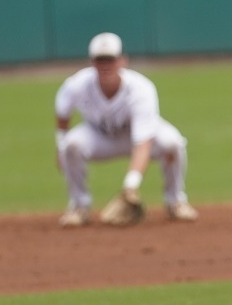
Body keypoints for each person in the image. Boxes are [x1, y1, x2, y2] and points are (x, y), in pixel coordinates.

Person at [54, 32, 198, 226]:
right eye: (100, 60)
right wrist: (60, 146)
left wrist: (130, 186)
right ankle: (79, 207)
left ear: (122, 61)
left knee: (172, 143)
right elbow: (62, 113)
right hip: (99, 136)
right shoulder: (76, 85)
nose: (106, 65)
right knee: (71, 145)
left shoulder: (141, 89)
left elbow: (143, 143)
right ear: (92, 62)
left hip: (138, 137)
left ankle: (175, 202)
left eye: (110, 60)